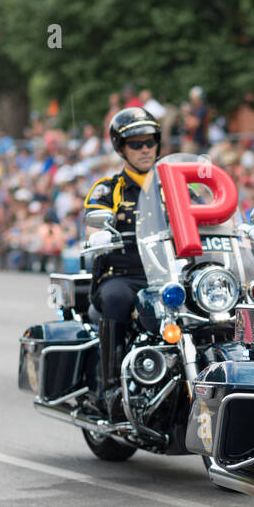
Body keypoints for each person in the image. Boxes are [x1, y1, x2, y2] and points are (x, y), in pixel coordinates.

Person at [82, 107, 162, 421]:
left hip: (167, 274)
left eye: (150, 141)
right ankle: (110, 388)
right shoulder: (107, 188)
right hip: (123, 275)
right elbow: (93, 224)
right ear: (121, 148)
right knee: (116, 300)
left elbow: (208, 214)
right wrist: (98, 234)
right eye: (135, 143)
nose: (145, 149)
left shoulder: (176, 187)